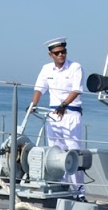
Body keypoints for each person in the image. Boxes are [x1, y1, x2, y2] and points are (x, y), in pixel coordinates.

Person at [29, 37, 85, 198]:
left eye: (63, 51)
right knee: (55, 153)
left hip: (71, 113)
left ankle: (79, 191)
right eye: (57, 53)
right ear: (50, 55)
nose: (61, 55)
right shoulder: (46, 69)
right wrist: (33, 104)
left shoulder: (75, 67)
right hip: (53, 115)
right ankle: (62, 188)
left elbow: (76, 90)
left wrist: (64, 104)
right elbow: (40, 89)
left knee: (73, 153)